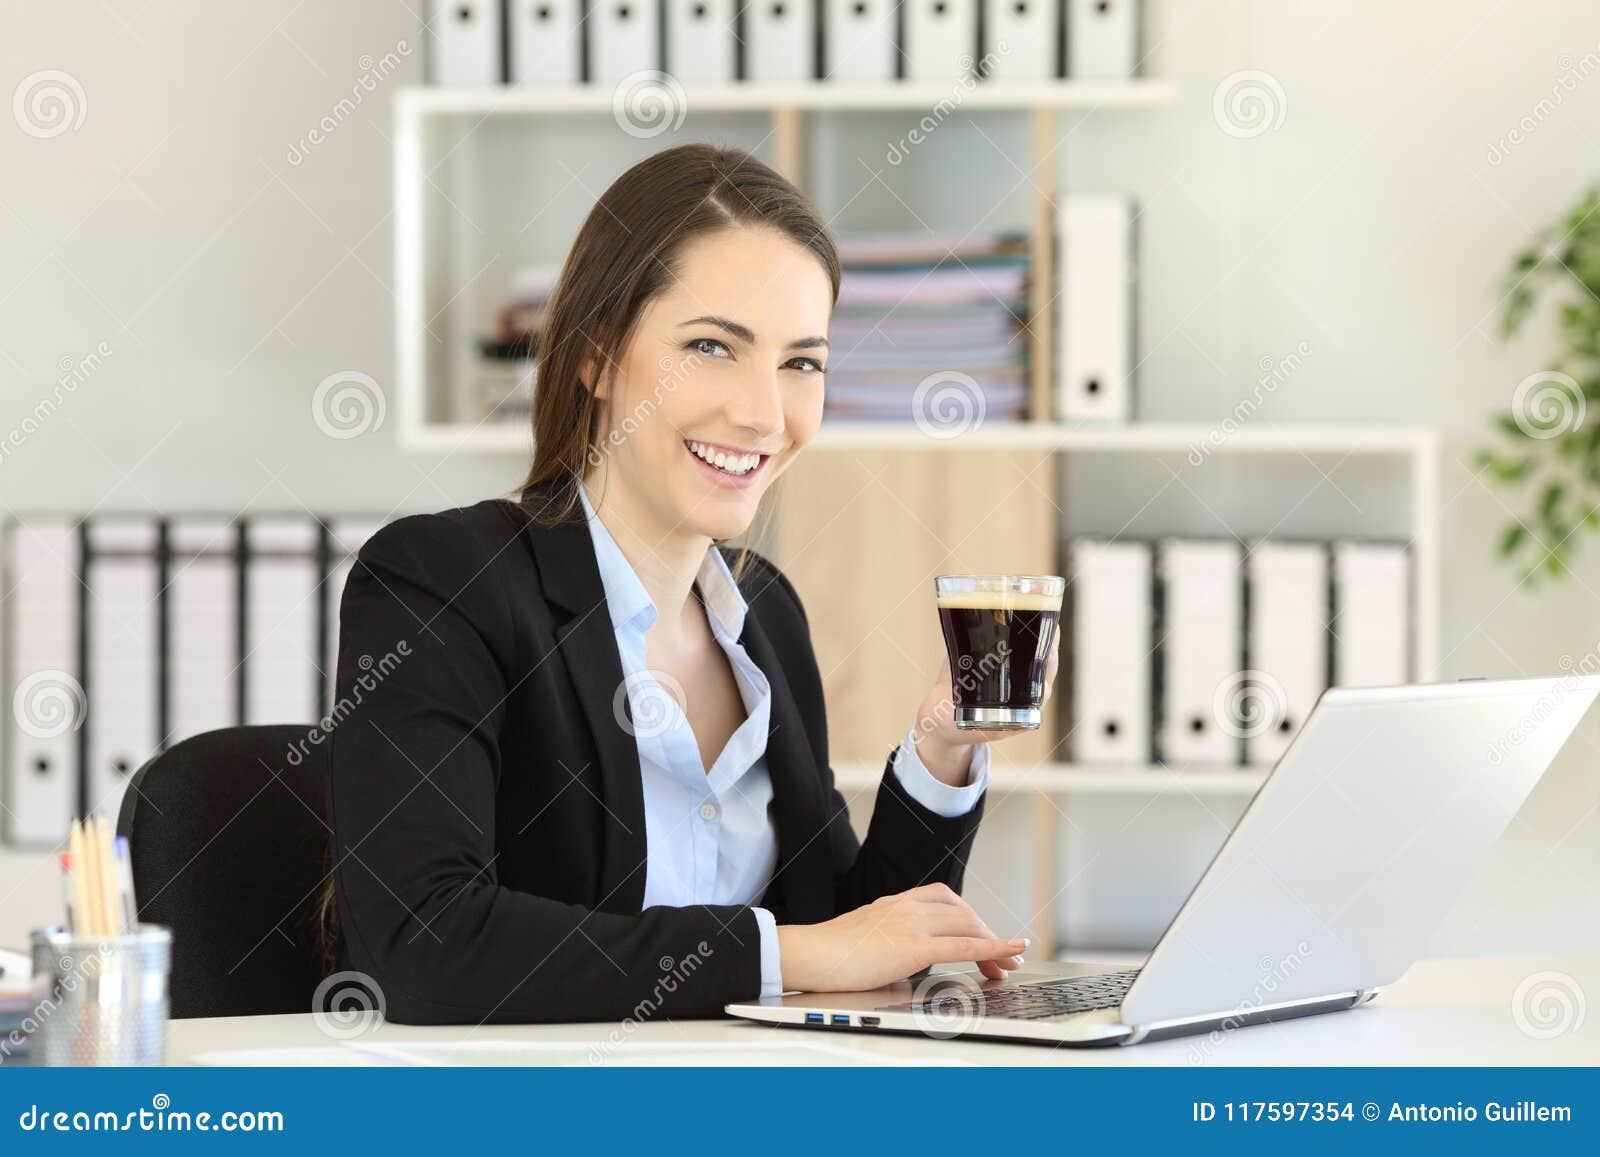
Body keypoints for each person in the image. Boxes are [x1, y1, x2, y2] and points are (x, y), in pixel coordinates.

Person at [325, 143, 1057, 1024]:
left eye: (802, 362)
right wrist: (790, 952)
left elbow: (850, 935)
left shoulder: (763, 616)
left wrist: (941, 750)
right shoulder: (447, 582)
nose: (763, 412)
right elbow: (425, 943)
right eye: (713, 346)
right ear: (597, 356)